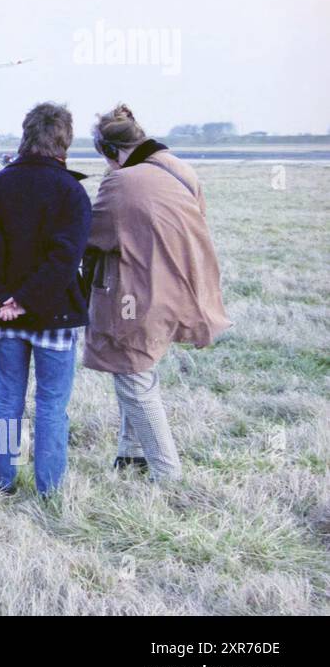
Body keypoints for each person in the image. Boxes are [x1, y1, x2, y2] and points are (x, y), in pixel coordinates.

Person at [85, 104, 231, 481]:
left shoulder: (123, 180)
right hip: (181, 289)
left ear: (110, 151)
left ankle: (167, 475)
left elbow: (94, 234)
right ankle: (131, 455)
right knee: (136, 369)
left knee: (134, 380)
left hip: (136, 295)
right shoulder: (182, 169)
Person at [0, 103, 91, 497]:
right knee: (52, 406)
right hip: (53, 315)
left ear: (25, 135)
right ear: (64, 141)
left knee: (7, 402)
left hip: (2, 318)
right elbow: (65, 259)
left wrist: (2, 299)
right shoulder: (72, 192)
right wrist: (26, 300)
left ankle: (0, 483)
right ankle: (49, 491)